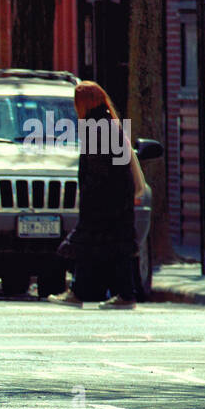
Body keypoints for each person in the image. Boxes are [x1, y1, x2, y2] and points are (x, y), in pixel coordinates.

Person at [50, 81, 145, 309]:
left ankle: (88, 293)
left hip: (102, 201)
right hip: (118, 200)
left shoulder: (95, 127)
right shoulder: (109, 123)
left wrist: (89, 197)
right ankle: (116, 294)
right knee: (112, 247)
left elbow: (98, 168)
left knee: (89, 245)